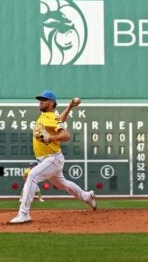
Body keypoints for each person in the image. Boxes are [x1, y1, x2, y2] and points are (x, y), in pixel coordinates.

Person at [9, 91, 95, 224]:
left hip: (52, 158)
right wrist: (70, 107)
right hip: (46, 160)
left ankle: (24, 213)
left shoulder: (50, 117)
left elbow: (66, 135)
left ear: (51, 103)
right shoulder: (48, 117)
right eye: (40, 99)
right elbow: (60, 120)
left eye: (44, 99)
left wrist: (52, 138)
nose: (41, 101)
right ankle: (86, 196)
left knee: (32, 176)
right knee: (63, 184)